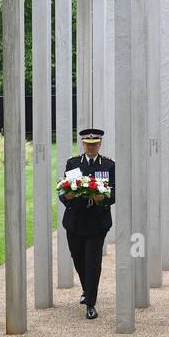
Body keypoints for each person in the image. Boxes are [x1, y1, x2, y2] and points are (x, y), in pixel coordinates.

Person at [59, 127, 115, 319]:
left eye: (94, 145)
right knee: (78, 257)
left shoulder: (108, 165)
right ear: (83, 144)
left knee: (93, 262)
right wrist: (66, 196)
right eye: (88, 145)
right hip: (75, 220)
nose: (91, 148)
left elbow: (115, 194)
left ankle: (90, 303)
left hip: (97, 222)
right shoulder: (73, 164)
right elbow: (64, 191)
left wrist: (103, 199)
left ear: (99, 144)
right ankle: (87, 289)